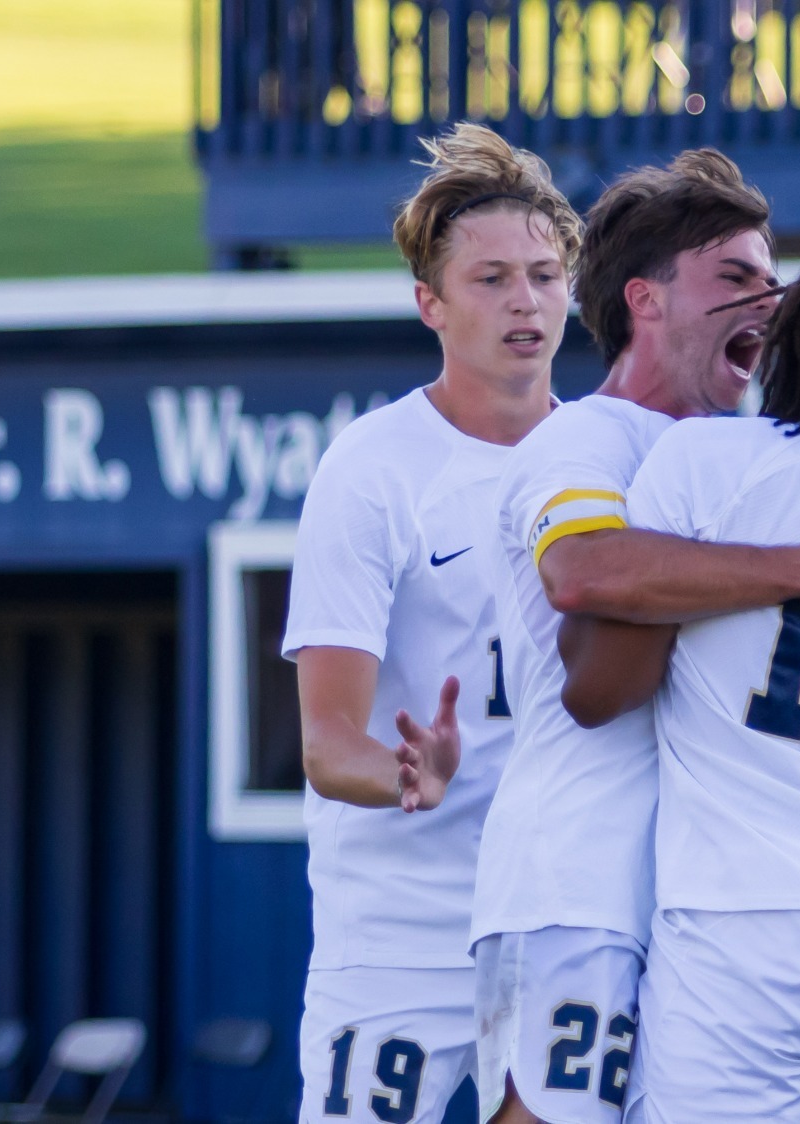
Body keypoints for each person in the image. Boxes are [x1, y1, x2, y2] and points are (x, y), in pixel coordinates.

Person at [444, 152, 800, 1124]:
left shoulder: (725, 463)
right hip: (585, 876)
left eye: (777, 281)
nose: (770, 300)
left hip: (716, 896)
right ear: (646, 299)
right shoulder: (591, 439)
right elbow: (584, 582)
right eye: (737, 277)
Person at [281, 123, 582, 1124]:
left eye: (544, 275)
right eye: (490, 278)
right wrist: (408, 774)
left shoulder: (612, 459)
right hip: (401, 929)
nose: (524, 301)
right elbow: (327, 743)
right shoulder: (371, 468)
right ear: (431, 303)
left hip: (565, 923)